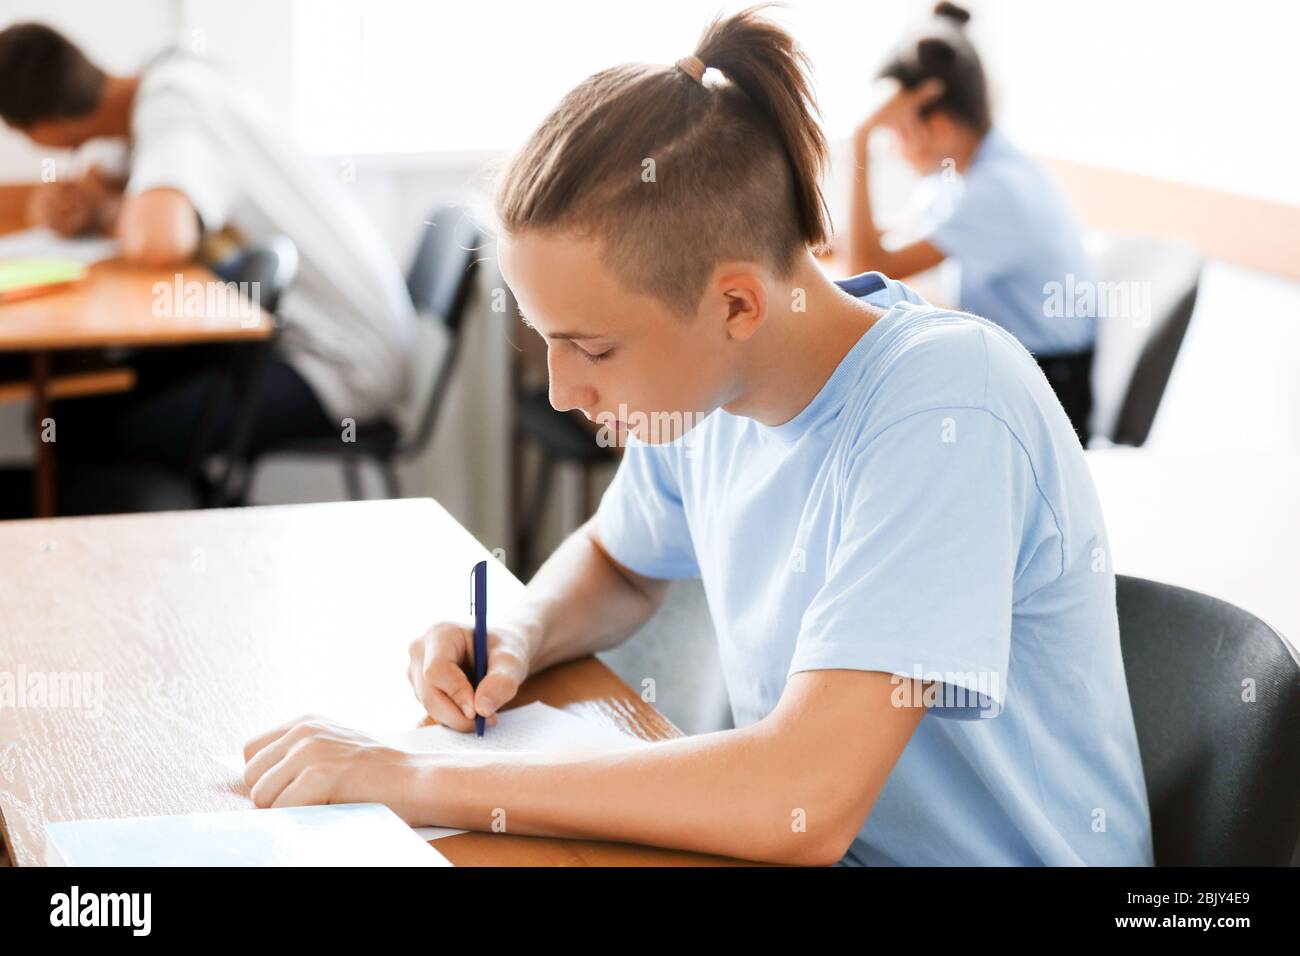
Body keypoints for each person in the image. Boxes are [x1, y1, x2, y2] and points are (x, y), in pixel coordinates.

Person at [241, 5, 1153, 866]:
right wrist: (518, 632)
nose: (562, 391)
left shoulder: (948, 406)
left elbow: (805, 798)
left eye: (591, 347)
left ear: (737, 305)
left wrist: (418, 776)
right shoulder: (708, 396)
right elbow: (622, 560)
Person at [0, 23, 415, 473]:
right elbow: (121, 180)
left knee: (84, 429)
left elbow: (160, 239)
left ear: (45, 131)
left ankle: (161, 526)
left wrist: (104, 214)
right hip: (326, 334)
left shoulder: (173, 111)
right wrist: (87, 201)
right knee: (77, 410)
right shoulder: (170, 75)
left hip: (339, 362)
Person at [846, 2, 1098, 445]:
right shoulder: (962, 174)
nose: (892, 147)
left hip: (1052, 388)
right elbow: (880, 240)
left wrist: (861, 139)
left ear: (938, 125)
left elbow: (866, 266)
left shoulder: (995, 191)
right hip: (1027, 364)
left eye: (895, 130)